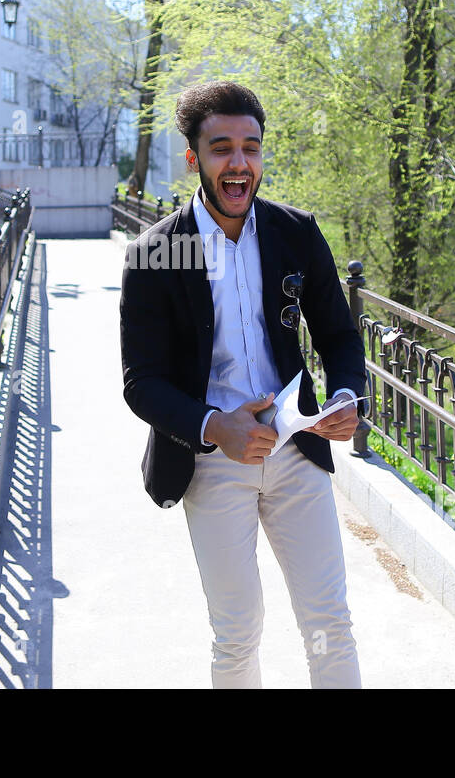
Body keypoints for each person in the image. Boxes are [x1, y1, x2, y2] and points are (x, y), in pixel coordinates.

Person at [119, 80, 366, 688]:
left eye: (251, 148)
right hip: (210, 464)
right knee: (237, 633)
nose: (239, 162)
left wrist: (346, 397)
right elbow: (141, 383)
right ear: (194, 159)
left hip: (296, 452)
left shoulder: (296, 233)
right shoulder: (154, 254)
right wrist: (213, 427)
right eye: (222, 147)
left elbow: (338, 334)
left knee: (329, 621)